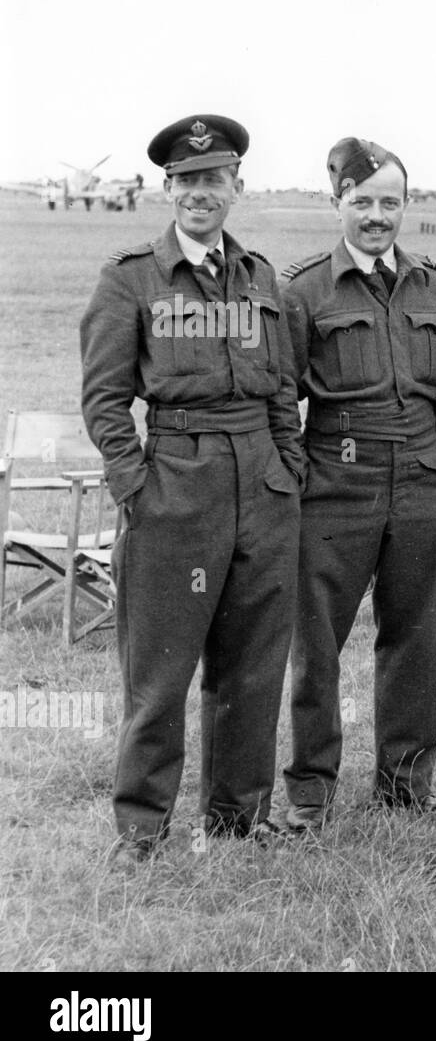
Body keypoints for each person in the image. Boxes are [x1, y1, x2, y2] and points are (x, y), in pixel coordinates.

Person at [81, 114, 304, 865]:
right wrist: (135, 486)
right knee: (161, 667)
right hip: (175, 480)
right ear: (167, 188)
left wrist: (288, 469)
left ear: (236, 186)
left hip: (262, 485)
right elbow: (106, 400)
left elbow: (282, 387)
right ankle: (142, 828)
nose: (200, 193)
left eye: (214, 180)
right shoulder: (132, 278)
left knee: (253, 660)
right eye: (186, 181)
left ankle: (238, 817)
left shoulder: (262, 278)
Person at [279, 138, 436, 831]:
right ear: (338, 204)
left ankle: (405, 784)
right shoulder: (302, 290)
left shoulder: (435, 287)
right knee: (317, 643)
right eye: (361, 202)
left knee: (417, 636)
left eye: (389, 202)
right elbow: (280, 399)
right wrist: (306, 475)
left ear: (404, 205)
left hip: (424, 482)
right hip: (337, 481)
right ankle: (310, 791)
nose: (376, 215)